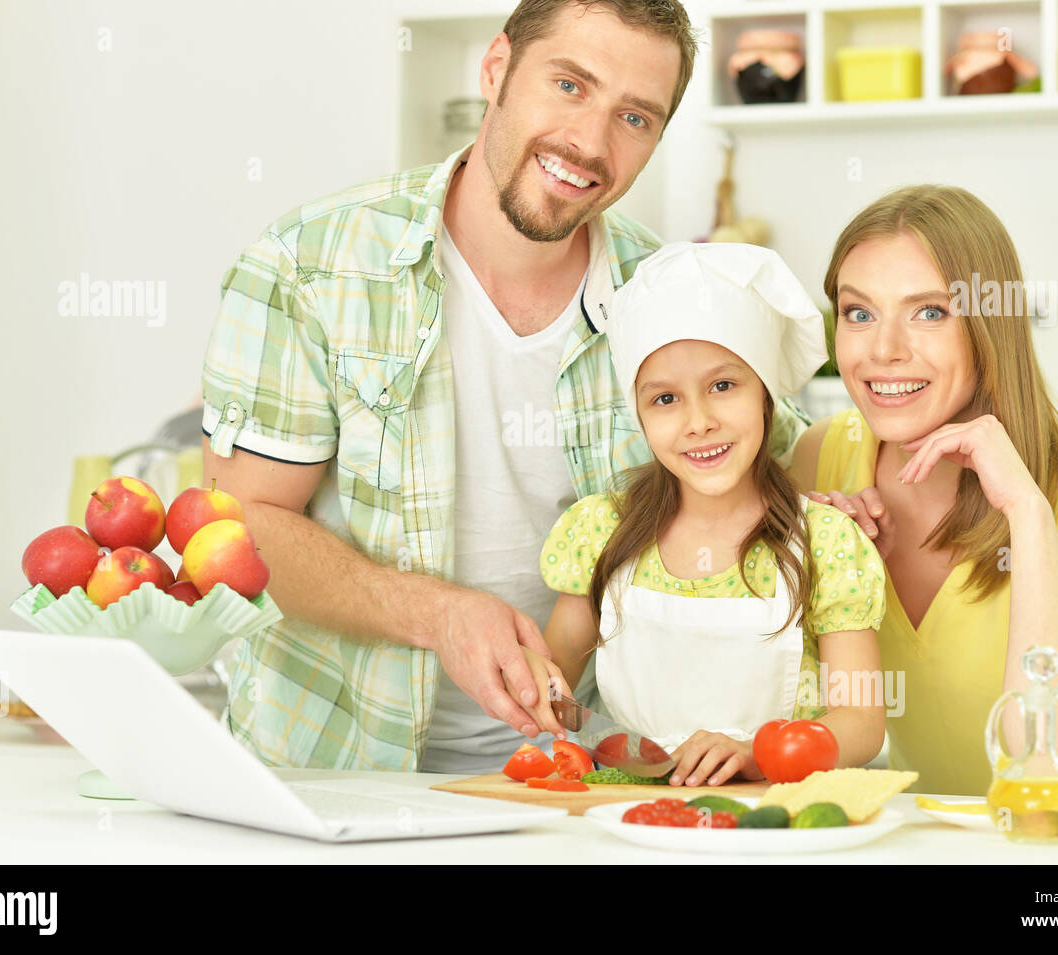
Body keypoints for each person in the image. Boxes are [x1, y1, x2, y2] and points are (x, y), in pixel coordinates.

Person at [199, 0, 813, 772]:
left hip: (586, 784)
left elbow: (780, 466)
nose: (589, 142)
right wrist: (437, 614)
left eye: (635, 118)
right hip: (328, 772)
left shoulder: (669, 292)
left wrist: (850, 486)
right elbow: (234, 531)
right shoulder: (308, 266)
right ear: (497, 71)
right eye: (568, 84)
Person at [788, 185, 1058, 796]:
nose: (884, 351)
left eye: (930, 312)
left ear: (989, 324)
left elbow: (1057, 768)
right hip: (949, 845)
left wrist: (1028, 516)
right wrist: (798, 565)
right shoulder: (821, 459)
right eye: (859, 312)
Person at [520, 242, 888, 787]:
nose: (698, 422)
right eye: (665, 399)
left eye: (722, 386)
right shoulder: (600, 532)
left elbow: (862, 722)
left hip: (771, 822)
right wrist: (534, 685)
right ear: (639, 414)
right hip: (621, 817)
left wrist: (758, 755)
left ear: (765, 395)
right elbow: (557, 694)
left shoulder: (826, 544)